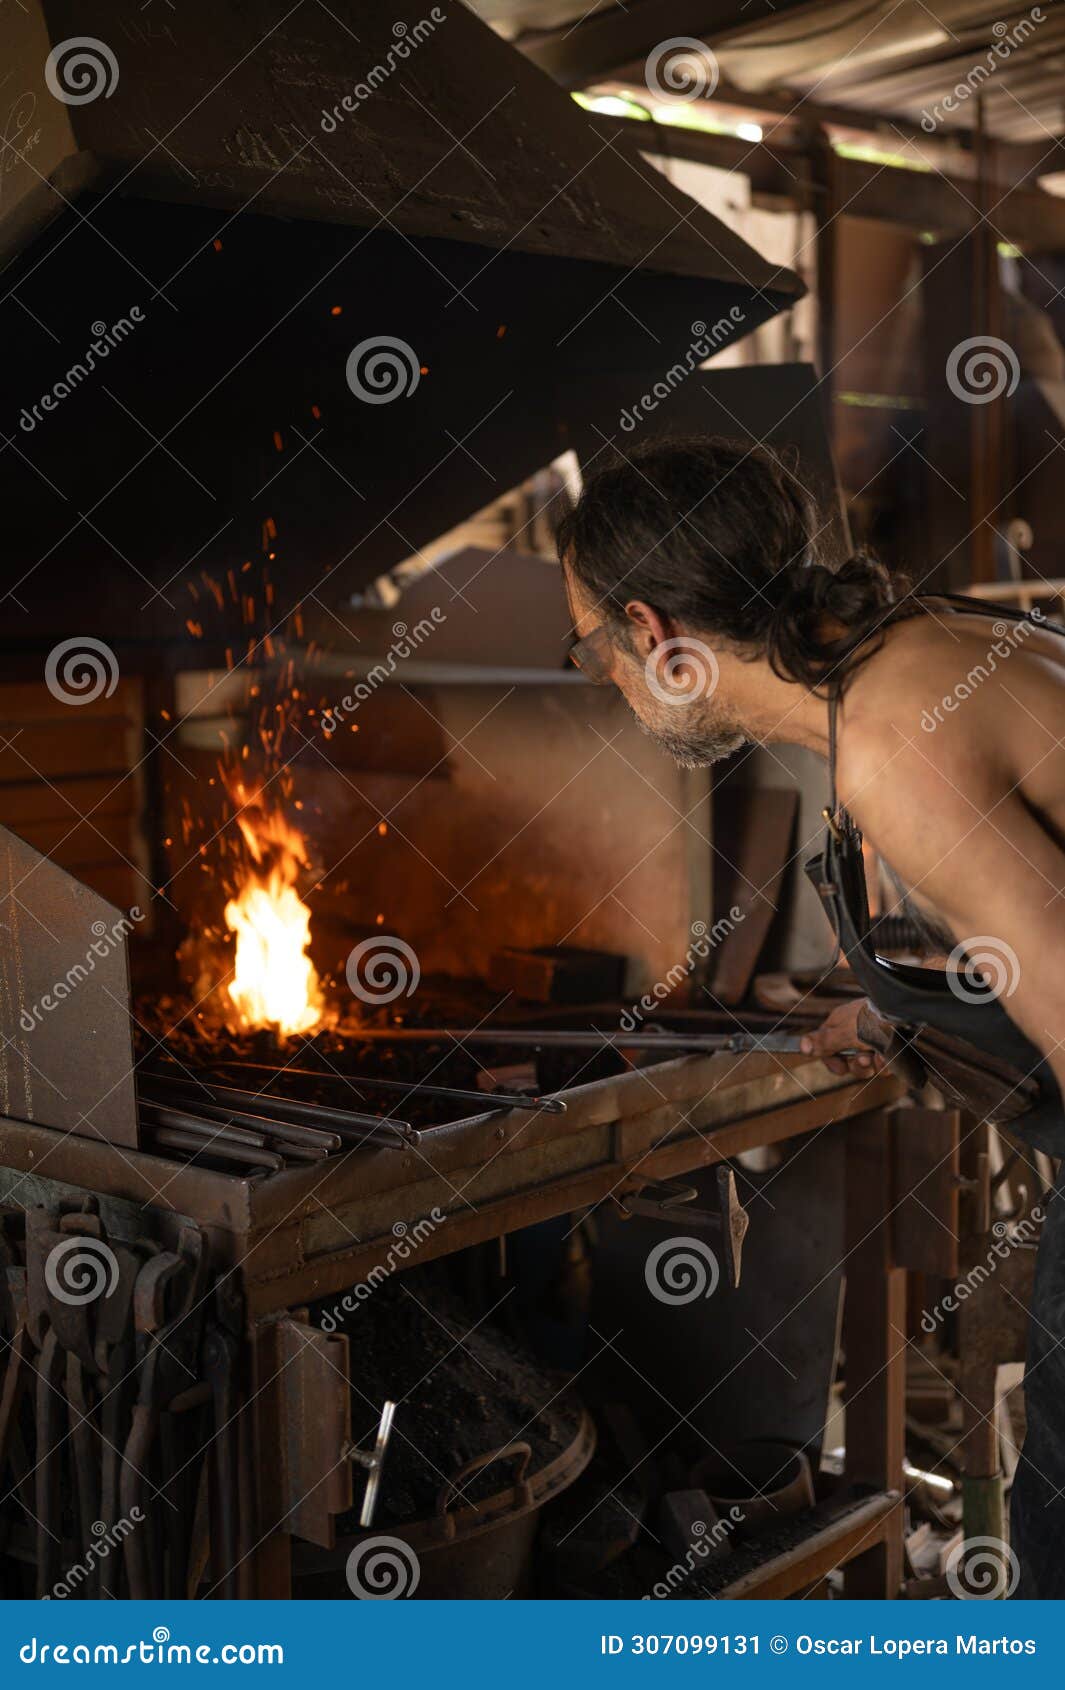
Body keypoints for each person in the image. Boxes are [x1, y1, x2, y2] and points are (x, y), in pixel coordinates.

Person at [557, 434, 1065, 1598]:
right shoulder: (921, 646)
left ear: (652, 631)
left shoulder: (893, 746)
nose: (608, 678)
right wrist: (906, 1025)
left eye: (592, 646)